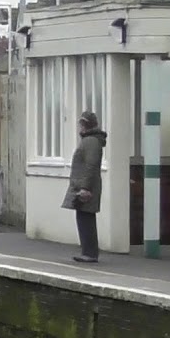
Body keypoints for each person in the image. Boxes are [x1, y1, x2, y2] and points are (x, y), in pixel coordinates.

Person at [62, 110, 106, 263]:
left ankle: (89, 252)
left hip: (85, 187)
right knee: (84, 217)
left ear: (85, 125)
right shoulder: (91, 141)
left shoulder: (90, 142)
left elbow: (91, 165)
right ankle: (88, 251)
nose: (79, 127)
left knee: (85, 218)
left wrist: (85, 188)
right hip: (84, 185)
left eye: (81, 124)